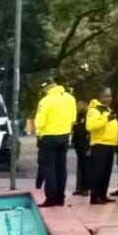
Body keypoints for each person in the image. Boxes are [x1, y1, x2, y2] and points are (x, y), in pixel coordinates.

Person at [34, 79, 77, 207]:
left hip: (48, 137)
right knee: (61, 167)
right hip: (64, 136)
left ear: (47, 88)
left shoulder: (45, 101)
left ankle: (51, 197)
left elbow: (40, 121)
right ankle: (60, 197)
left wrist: (39, 132)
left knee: (49, 168)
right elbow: (73, 118)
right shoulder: (70, 98)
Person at [84, 87, 118, 205]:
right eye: (106, 96)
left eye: (110, 96)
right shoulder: (95, 110)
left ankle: (103, 195)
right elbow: (90, 126)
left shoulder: (107, 109)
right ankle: (95, 197)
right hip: (100, 144)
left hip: (110, 143)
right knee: (98, 172)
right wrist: (107, 118)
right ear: (100, 97)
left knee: (106, 172)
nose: (109, 98)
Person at [72, 98, 91, 196]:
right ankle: (79, 188)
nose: (77, 106)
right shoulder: (78, 115)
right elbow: (75, 129)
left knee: (86, 167)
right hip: (78, 145)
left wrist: (89, 147)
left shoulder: (89, 115)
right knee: (80, 167)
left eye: (79, 104)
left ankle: (86, 188)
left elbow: (89, 132)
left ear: (85, 104)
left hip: (86, 145)